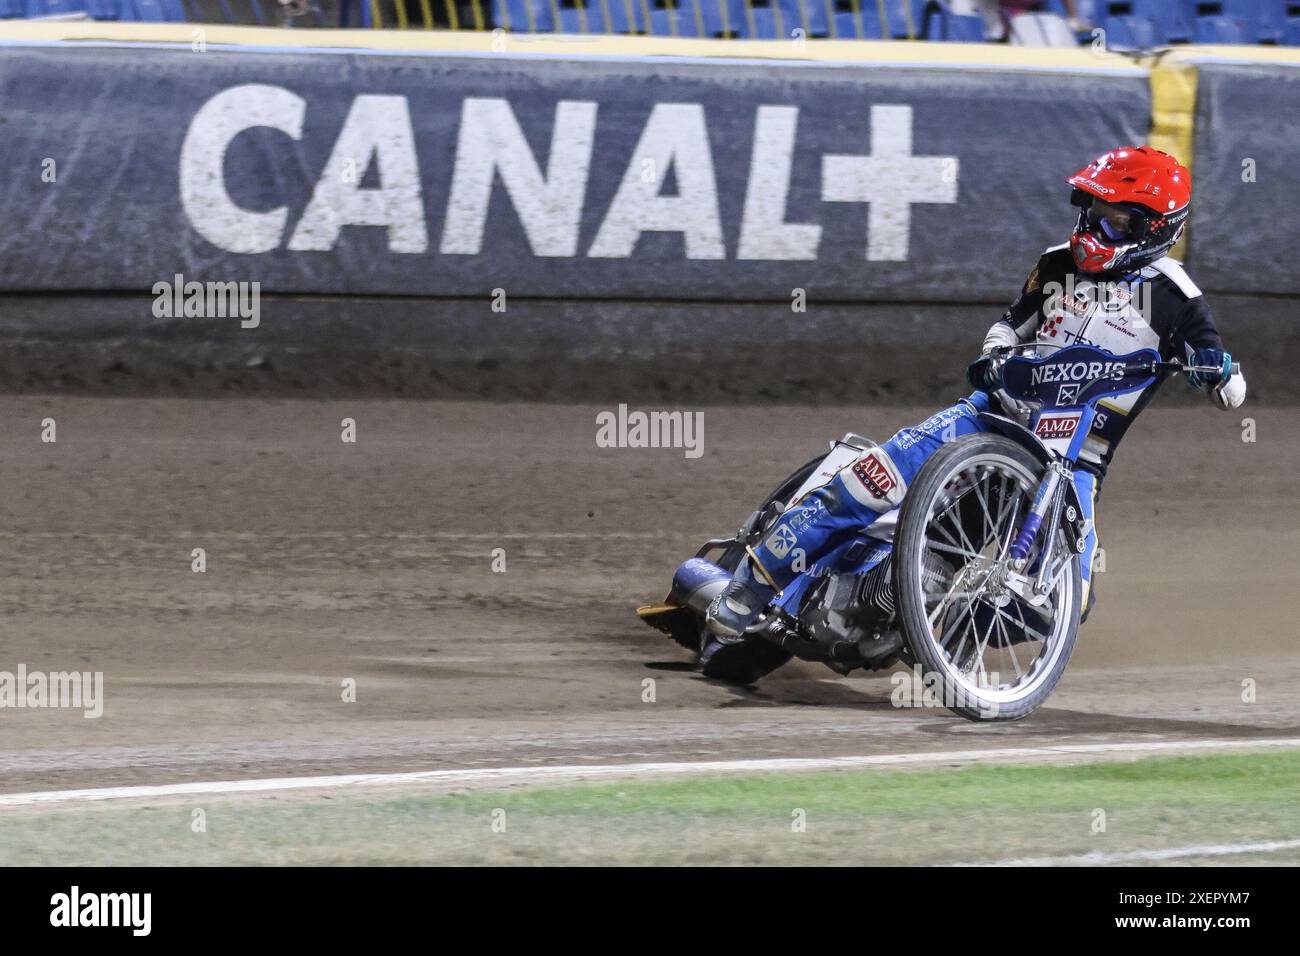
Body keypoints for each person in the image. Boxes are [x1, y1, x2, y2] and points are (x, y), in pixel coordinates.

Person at [705, 146, 1246, 642]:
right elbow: (1010, 325)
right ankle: (751, 585)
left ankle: (940, 645)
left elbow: (1233, 392)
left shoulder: (1177, 299)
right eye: (1092, 210)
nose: (1097, 228)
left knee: (1066, 603)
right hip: (993, 415)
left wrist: (1217, 372)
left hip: (1075, 462)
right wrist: (995, 354)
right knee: (870, 479)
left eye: (1116, 220)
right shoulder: (1057, 262)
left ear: (1156, 228)